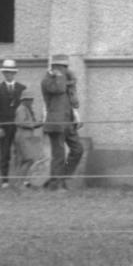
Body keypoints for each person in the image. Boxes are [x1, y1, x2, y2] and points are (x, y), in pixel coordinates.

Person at [41, 54, 79, 189]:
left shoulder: (66, 81)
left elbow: (75, 102)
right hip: (55, 123)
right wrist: (60, 76)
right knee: (59, 155)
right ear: (54, 67)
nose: (65, 70)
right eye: (62, 67)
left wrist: (72, 84)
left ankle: (62, 177)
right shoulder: (48, 80)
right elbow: (59, 89)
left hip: (69, 122)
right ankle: (56, 184)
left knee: (78, 150)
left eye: (66, 67)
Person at [0, 60, 27, 184]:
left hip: (19, 127)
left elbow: (26, 108)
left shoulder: (22, 89)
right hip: (4, 127)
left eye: (10, 72)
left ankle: (21, 180)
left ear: (14, 73)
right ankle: (4, 181)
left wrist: (26, 125)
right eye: (6, 72)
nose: (8, 75)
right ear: (3, 73)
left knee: (21, 152)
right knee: (5, 153)